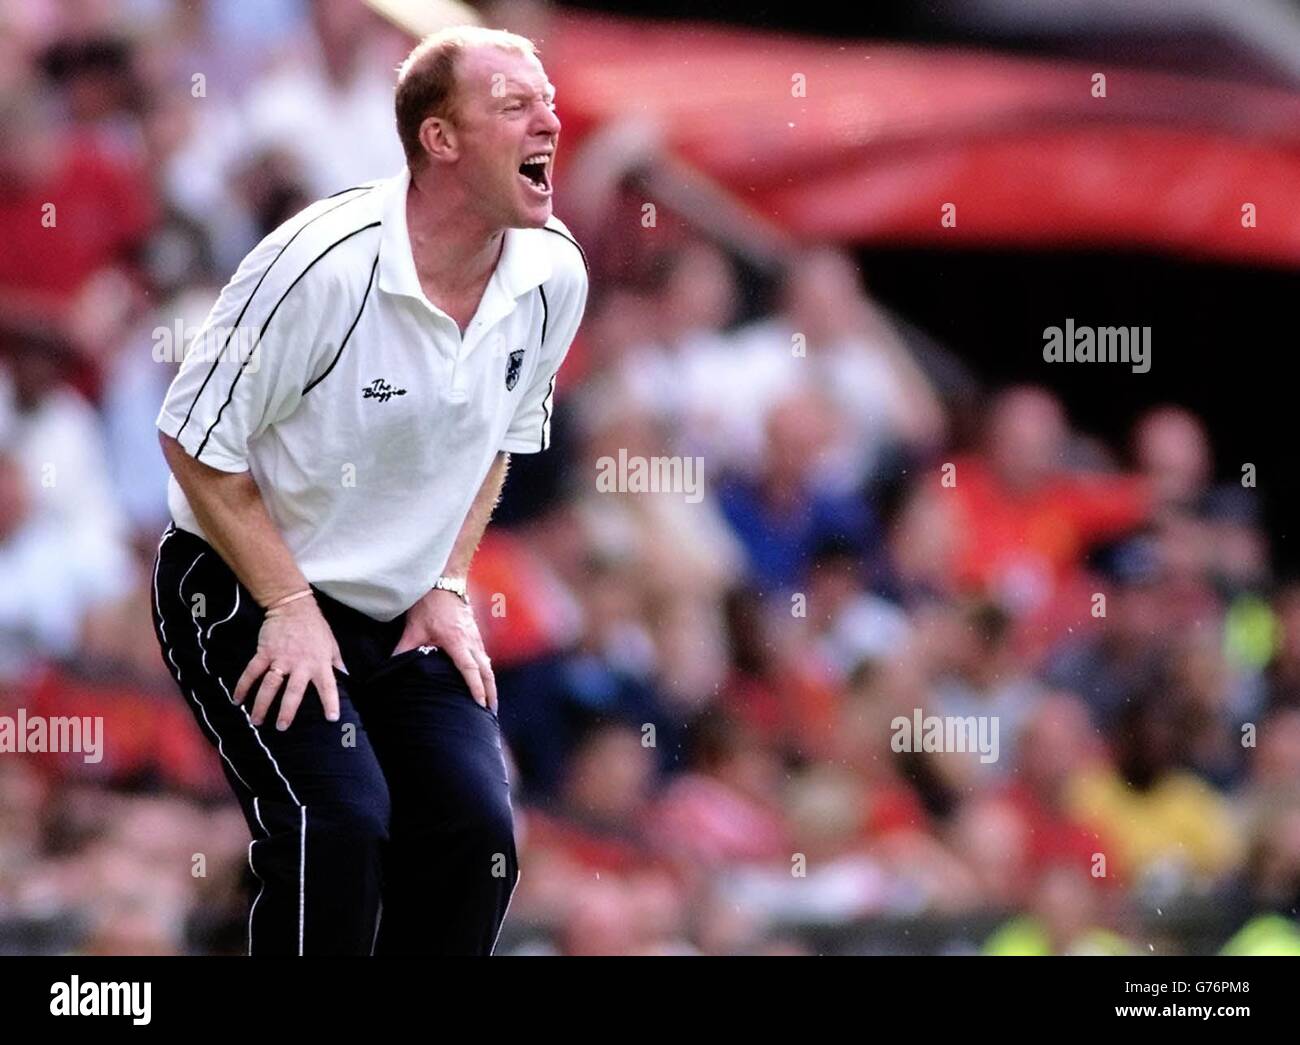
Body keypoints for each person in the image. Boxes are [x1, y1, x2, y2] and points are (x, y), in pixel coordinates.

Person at [149, 25, 588, 956]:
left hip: (400, 607)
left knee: (478, 840)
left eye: (545, 99)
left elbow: (503, 436)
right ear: (441, 140)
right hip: (238, 581)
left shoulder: (555, 275)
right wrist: (290, 602)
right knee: (338, 827)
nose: (551, 117)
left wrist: (449, 580)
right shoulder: (320, 262)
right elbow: (191, 443)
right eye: (515, 105)